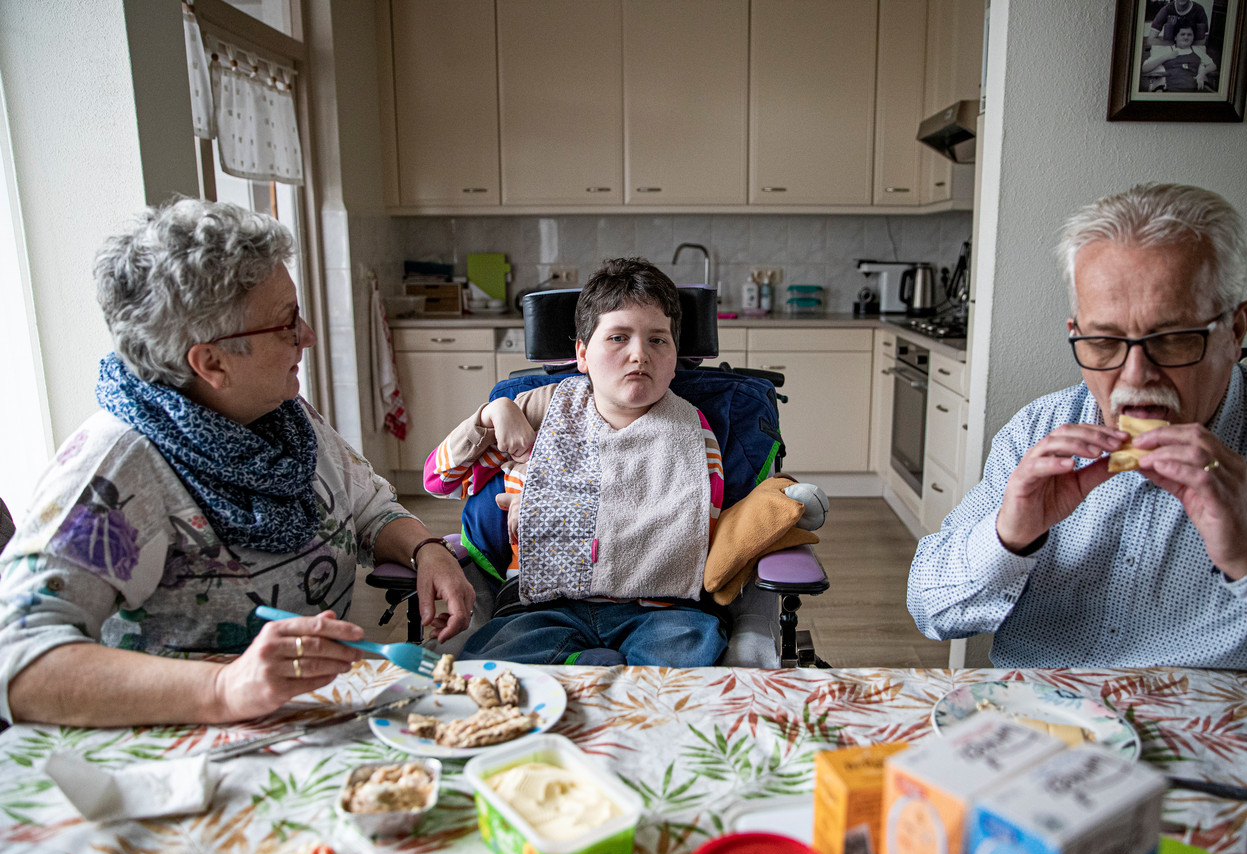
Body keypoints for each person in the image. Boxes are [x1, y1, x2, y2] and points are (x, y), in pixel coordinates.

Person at [0, 199, 476, 727]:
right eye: (286, 324)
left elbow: (369, 509)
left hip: (311, 720)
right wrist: (224, 688)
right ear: (211, 362)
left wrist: (425, 548)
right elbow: (18, 662)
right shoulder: (116, 468)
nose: (309, 336)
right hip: (188, 749)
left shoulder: (285, 417)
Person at [908, 184, 1247, 689]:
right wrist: (1008, 536)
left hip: (1217, 738)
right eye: (1104, 341)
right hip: (1039, 724)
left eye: (1173, 338)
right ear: (1077, 332)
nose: (1136, 376)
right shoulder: (1036, 430)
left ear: (1235, 330)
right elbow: (930, 608)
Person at [424, 258, 728, 666]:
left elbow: (693, 522)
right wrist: (490, 414)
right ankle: (588, 674)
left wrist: (547, 506)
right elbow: (439, 481)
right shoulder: (536, 412)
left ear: (675, 357)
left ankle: (612, 692)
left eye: (658, 340)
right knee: (498, 663)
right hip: (545, 604)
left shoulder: (692, 431)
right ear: (582, 354)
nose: (640, 354)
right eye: (619, 338)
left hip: (660, 609)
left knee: (689, 650)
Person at [1141, 26, 1216, 93]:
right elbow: (1145, 68)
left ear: (1193, 37)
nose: (1186, 37)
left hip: (1194, 90)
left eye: (1189, 34)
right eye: (1182, 34)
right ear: (1175, 37)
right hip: (1170, 90)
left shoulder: (1196, 50)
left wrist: (1202, 73)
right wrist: (1165, 57)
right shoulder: (1167, 50)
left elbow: (1213, 65)